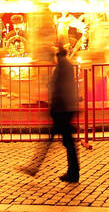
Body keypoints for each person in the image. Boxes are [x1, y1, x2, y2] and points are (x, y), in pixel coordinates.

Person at [22, 46, 81, 183]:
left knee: (58, 141)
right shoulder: (64, 64)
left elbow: (59, 89)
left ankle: (36, 167)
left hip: (62, 110)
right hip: (65, 108)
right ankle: (71, 171)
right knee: (64, 141)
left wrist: (54, 108)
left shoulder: (61, 67)